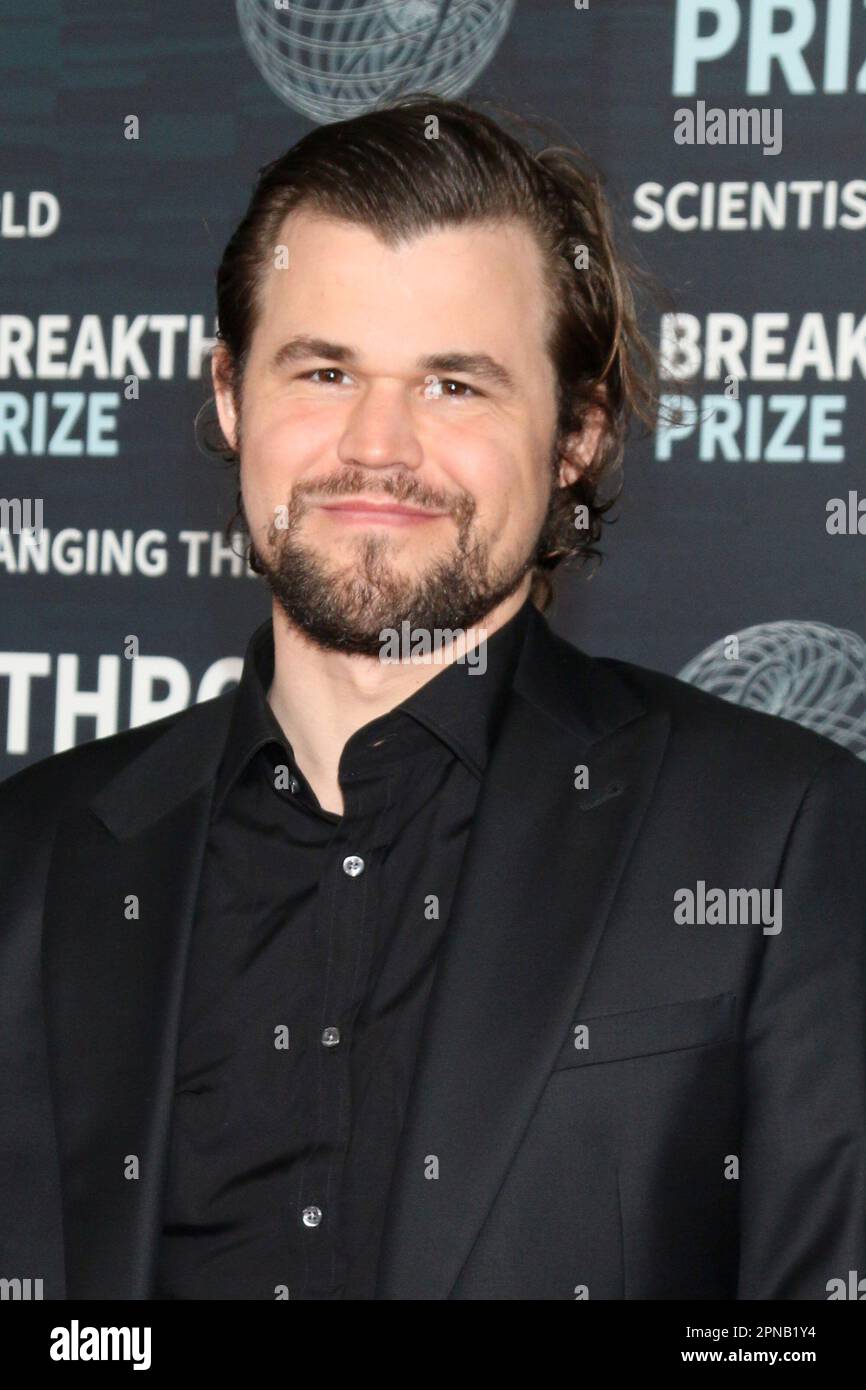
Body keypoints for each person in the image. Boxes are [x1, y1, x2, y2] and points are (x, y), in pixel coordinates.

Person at [1, 94, 864, 1301]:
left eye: (454, 385)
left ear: (576, 433)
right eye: (322, 369)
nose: (376, 446)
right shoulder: (37, 856)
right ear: (232, 393)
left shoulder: (776, 834)